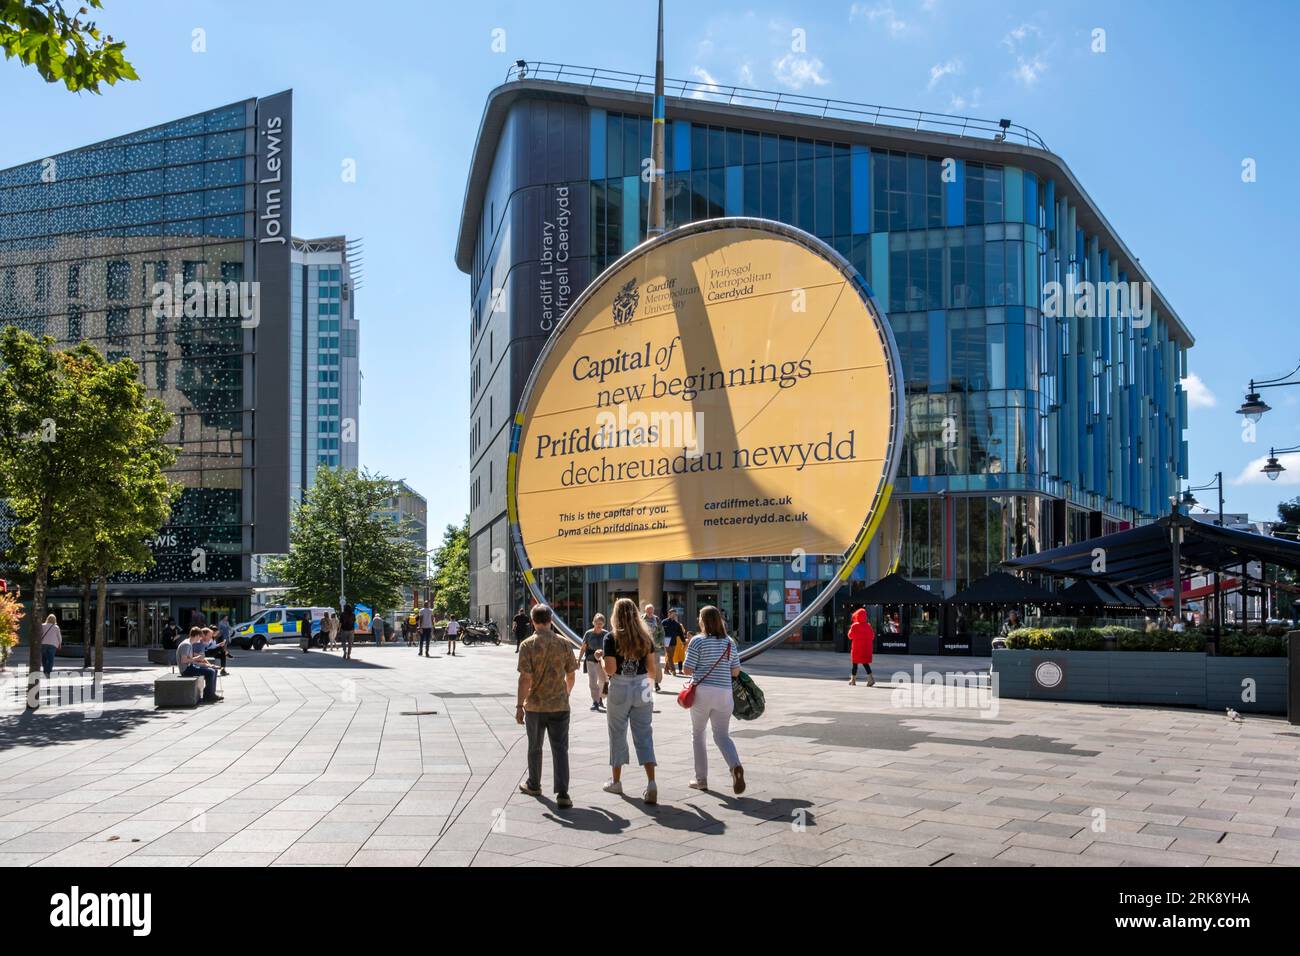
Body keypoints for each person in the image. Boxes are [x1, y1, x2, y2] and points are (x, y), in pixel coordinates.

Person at [515, 604, 576, 809]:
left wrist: (519, 706)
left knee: (535, 747)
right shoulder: (565, 643)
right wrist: (565, 693)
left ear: (532, 621)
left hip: (535, 706)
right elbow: (571, 674)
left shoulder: (527, 645)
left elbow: (525, 678)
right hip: (559, 705)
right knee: (560, 749)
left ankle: (534, 784)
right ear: (551, 620)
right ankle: (563, 793)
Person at [603, 597, 660, 804]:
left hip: (620, 685)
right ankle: (651, 782)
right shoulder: (646, 637)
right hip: (643, 684)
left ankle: (616, 782)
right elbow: (652, 668)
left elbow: (610, 669)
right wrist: (649, 688)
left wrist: (602, 658)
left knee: (617, 732)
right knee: (644, 734)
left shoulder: (611, 638)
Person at [683, 605, 744, 794]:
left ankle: (701, 779)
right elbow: (735, 671)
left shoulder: (697, 641)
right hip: (724, 693)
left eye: (699, 617)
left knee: (698, 734)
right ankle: (735, 766)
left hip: (702, 692)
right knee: (722, 735)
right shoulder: (729, 642)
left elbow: (687, 669)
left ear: (703, 621)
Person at [177, 626, 221, 703]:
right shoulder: (186, 644)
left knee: (212, 670)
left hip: (190, 667)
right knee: (211, 672)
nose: (200, 639)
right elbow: (184, 660)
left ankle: (211, 694)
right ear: (196, 635)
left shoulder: (189, 643)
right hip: (186, 670)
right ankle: (208, 695)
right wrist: (197, 658)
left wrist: (206, 665)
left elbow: (191, 661)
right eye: (200, 637)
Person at [581, 613, 609, 712]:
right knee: (592, 681)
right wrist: (579, 659)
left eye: (601, 623)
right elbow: (584, 647)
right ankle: (595, 702)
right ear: (593, 623)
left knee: (603, 680)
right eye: (597, 623)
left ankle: (600, 697)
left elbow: (609, 648)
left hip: (602, 660)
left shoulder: (606, 634)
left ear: (604, 624)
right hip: (591, 659)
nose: (599, 625)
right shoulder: (588, 633)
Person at [847, 607, 875, 687]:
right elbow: (872, 637)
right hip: (866, 648)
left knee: (855, 664)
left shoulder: (855, 625)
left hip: (857, 648)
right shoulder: (868, 626)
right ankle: (871, 679)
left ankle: (853, 680)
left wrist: (850, 630)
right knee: (865, 664)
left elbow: (850, 636)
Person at [642, 603, 663, 692]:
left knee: (656, 665)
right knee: (644, 664)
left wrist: (658, 642)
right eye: (648, 610)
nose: (650, 612)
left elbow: (662, 632)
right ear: (645, 611)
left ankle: (656, 683)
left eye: (652, 611)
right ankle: (646, 683)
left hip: (655, 647)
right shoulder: (641, 619)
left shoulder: (657, 619)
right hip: (644, 646)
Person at [662, 608, 685, 678]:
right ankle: (673, 670)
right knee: (669, 655)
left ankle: (666, 669)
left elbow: (681, 633)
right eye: (673, 614)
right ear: (669, 614)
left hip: (674, 641)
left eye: (675, 614)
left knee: (671, 656)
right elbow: (660, 632)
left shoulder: (677, 624)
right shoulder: (664, 622)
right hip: (666, 640)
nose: (674, 615)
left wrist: (683, 641)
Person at [39, 613, 61, 678]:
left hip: (43, 644)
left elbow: (39, 634)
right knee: (51, 659)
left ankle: (45, 670)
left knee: (44, 658)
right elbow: (59, 637)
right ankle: (49, 671)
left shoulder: (42, 625)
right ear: (55, 620)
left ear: (47, 619)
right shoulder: (56, 627)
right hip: (53, 644)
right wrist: (60, 643)